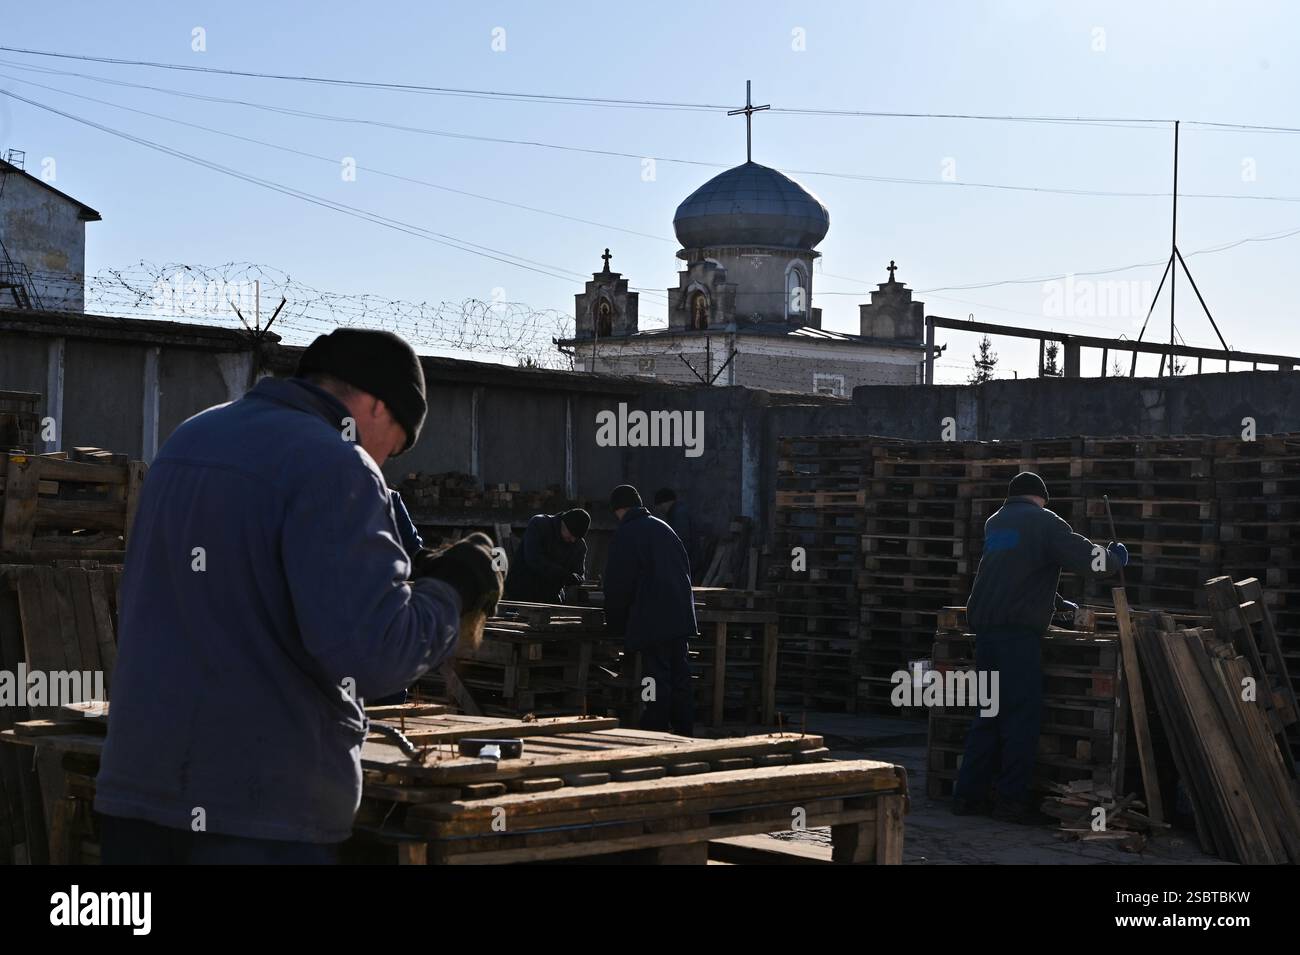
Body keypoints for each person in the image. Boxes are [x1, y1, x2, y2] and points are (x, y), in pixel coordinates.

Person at [95, 328, 501, 864]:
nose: (385, 462)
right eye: (395, 445)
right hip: (260, 814)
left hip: (139, 792)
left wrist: (390, 577)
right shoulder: (336, 462)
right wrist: (454, 587)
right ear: (378, 405)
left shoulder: (189, 440)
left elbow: (245, 583)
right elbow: (375, 654)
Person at [952, 471, 1128, 824]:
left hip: (986, 633)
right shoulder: (1044, 522)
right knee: (1021, 719)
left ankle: (967, 798)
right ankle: (1010, 803)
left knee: (988, 715)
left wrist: (1055, 600)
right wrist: (1114, 558)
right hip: (1017, 637)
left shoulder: (996, 522)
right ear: (1041, 498)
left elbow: (1011, 570)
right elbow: (1088, 560)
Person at [603, 484, 698, 736]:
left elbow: (617, 586)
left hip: (652, 618)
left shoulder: (626, 534)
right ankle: (684, 730)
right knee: (680, 675)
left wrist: (615, 629)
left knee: (655, 678)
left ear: (618, 510)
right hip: (680, 614)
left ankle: (653, 731)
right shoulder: (663, 528)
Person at [502, 509, 590, 603]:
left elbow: (579, 574)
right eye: (571, 534)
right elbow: (534, 560)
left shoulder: (579, 545)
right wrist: (564, 575)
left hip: (551, 598)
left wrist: (575, 578)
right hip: (521, 592)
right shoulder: (539, 524)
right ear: (564, 523)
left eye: (576, 538)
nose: (573, 540)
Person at [653, 487, 704, 583]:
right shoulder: (678, 512)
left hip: (688, 565)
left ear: (665, 502)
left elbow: (682, 541)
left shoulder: (678, 515)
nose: (659, 509)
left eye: (659, 505)